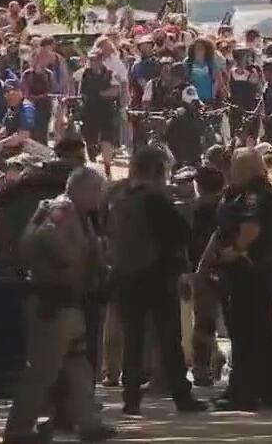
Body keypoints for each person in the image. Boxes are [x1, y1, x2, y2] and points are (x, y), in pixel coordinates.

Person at [4, 167, 116, 444]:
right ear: (83, 189)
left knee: (78, 364)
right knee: (43, 368)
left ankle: (87, 422)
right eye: (96, 191)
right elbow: (45, 237)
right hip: (53, 301)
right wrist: (69, 262)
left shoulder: (75, 212)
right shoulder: (62, 209)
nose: (99, 197)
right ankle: (18, 429)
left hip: (68, 301)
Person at [103, 145, 206, 415]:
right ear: (157, 170)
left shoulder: (117, 197)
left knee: (133, 340)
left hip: (125, 275)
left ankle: (131, 397)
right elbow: (180, 234)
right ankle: (181, 396)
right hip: (156, 275)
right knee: (168, 339)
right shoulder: (154, 199)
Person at [200, 148, 272, 410]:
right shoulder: (242, 192)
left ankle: (244, 392)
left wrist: (235, 250)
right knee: (262, 331)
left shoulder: (255, 194)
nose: (230, 170)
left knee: (247, 331)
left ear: (247, 168)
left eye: (235, 164)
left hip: (252, 270)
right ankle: (268, 391)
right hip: (252, 269)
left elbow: (251, 228)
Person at [188, 164, 227, 386]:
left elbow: (190, 242)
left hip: (203, 270)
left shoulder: (195, 209)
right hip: (228, 266)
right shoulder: (229, 206)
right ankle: (217, 358)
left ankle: (201, 367)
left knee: (203, 321)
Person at [79, 48, 119, 177]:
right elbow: (81, 92)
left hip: (106, 111)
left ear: (101, 60)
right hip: (89, 111)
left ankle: (107, 168)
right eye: (91, 60)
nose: (93, 62)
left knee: (106, 140)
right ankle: (93, 167)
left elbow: (115, 91)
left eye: (95, 60)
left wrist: (100, 94)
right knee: (90, 141)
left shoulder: (110, 74)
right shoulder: (85, 74)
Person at [0, 79, 35, 152]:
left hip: (31, 150)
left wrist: (1, 144)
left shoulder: (27, 109)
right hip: (16, 146)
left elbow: (23, 136)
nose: (7, 95)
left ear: (19, 91)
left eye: (10, 91)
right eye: (5, 92)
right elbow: (5, 130)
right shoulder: (12, 108)